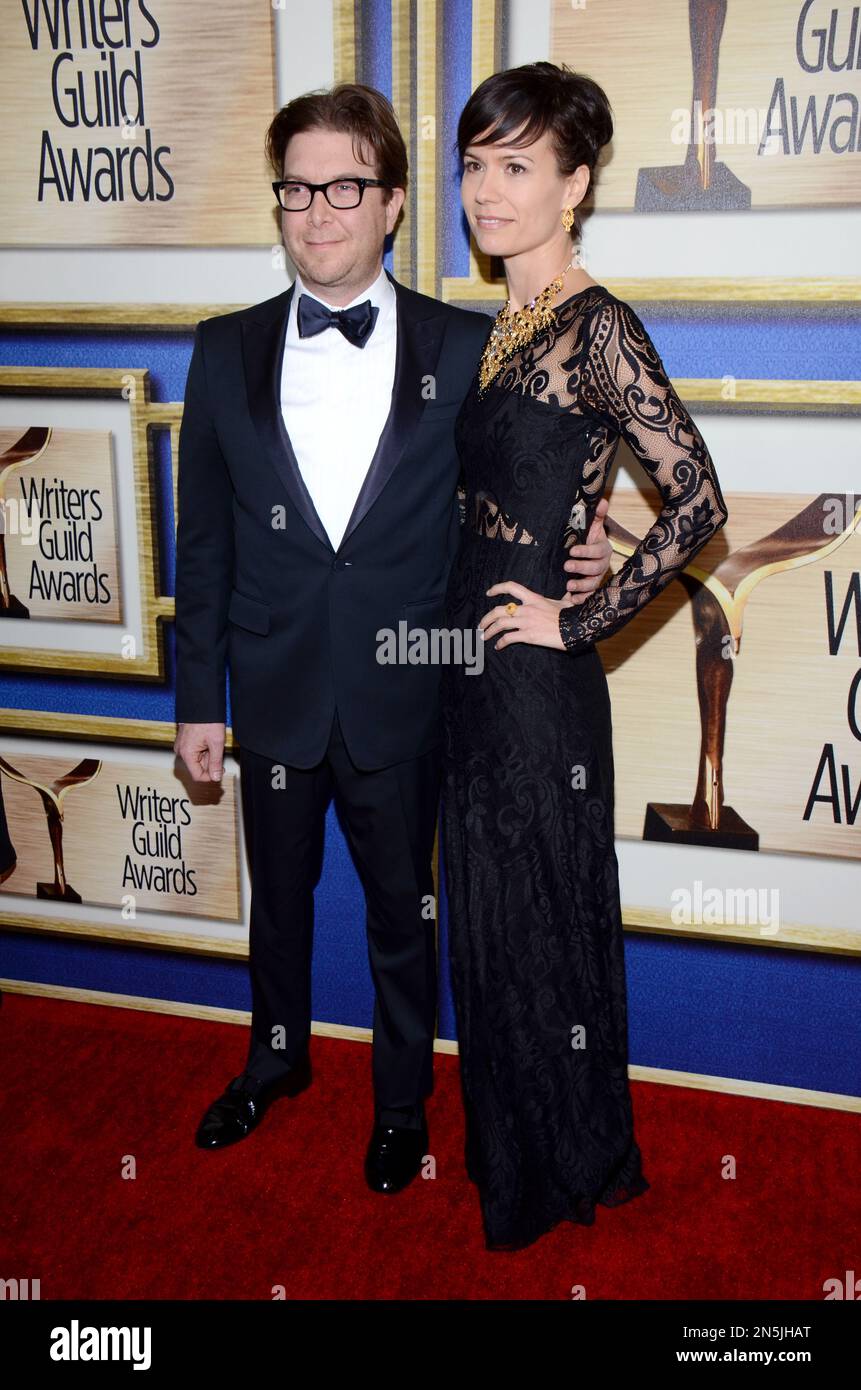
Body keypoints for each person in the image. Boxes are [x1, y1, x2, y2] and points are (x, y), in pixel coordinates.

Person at [173, 82, 612, 1194]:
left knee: (401, 918)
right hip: (269, 689)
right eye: (298, 189)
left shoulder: (469, 346)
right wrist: (196, 702)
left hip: (409, 694)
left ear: (396, 204)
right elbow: (205, 546)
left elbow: (534, 478)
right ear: (279, 204)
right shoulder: (221, 352)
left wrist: (590, 541)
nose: (319, 211)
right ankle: (274, 1059)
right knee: (278, 904)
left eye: (346, 187)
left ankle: (403, 1104)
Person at [441, 61, 729, 1250]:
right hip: (466, 655)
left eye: (516, 165)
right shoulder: (506, 324)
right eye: (473, 164)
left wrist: (586, 612)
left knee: (541, 908)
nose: (487, 190)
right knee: (493, 911)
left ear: (576, 184)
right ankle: (519, 1142)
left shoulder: (597, 323)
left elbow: (699, 497)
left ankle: (563, 1161)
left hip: (534, 679)